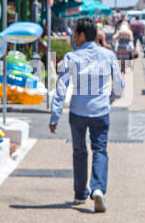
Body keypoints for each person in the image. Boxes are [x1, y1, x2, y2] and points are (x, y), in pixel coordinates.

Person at [49, 17, 124, 212]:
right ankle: (98, 189)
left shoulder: (71, 58)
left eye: (75, 33)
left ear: (82, 35)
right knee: (100, 150)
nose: (73, 37)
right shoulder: (108, 56)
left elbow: (60, 89)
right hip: (100, 111)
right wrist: (109, 100)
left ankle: (80, 193)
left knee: (79, 152)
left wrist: (55, 116)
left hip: (78, 112)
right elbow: (119, 86)